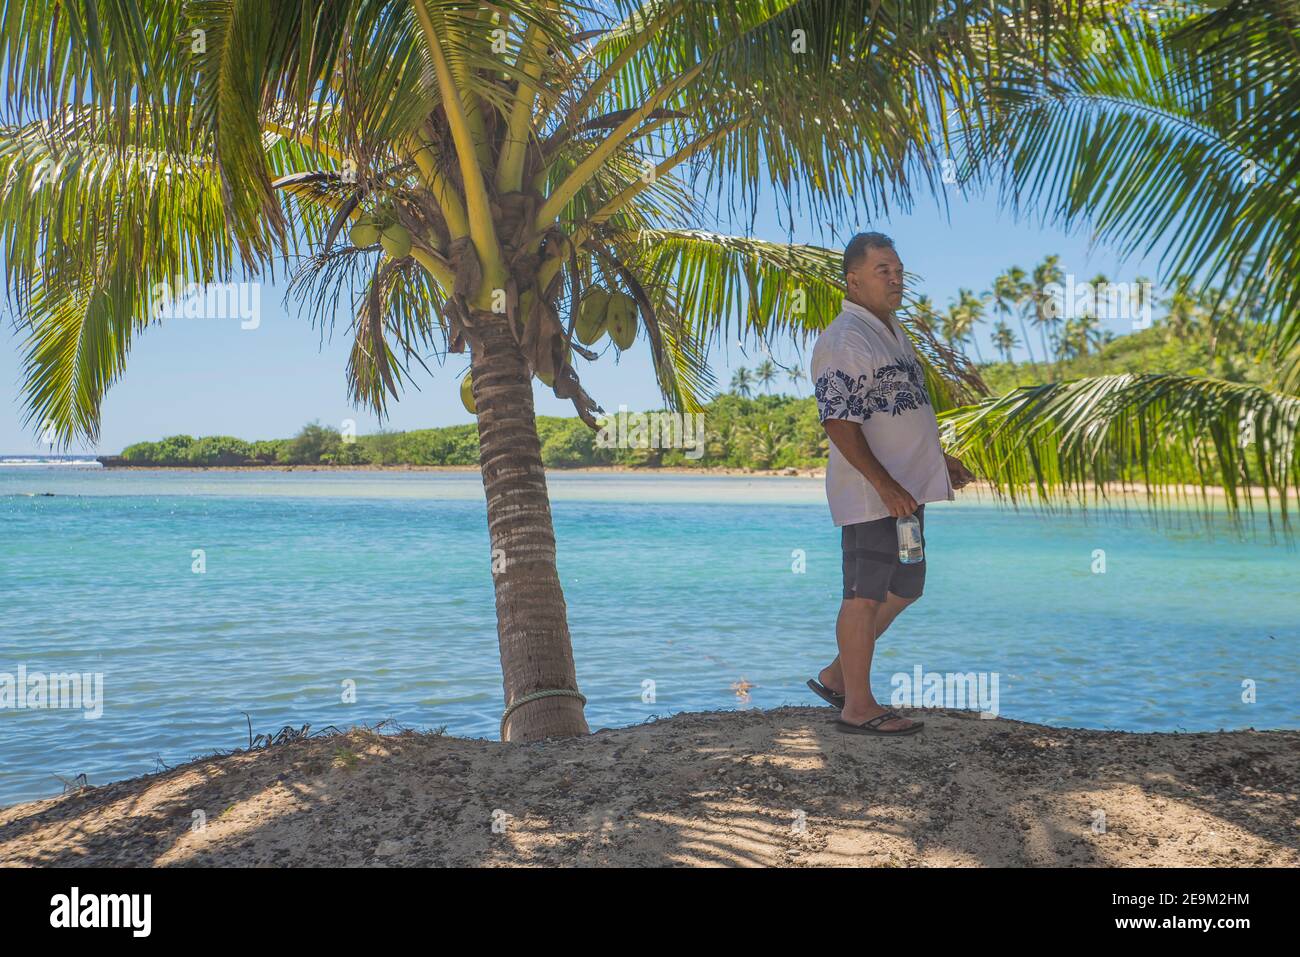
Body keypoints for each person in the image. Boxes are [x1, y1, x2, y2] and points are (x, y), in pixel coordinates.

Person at [807, 231, 974, 736]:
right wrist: (882, 485)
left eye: (899, 270)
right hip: (872, 494)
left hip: (907, 489)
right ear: (853, 280)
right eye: (884, 270)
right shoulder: (845, 337)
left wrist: (937, 459)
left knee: (907, 585)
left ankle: (838, 675)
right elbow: (839, 421)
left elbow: (899, 409)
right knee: (863, 594)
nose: (896, 278)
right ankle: (857, 705)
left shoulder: (891, 331)